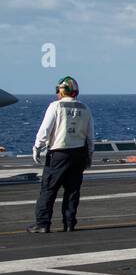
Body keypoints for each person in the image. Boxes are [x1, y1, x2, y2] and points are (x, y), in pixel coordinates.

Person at [29, 76, 94, 234]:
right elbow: (90, 135)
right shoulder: (85, 108)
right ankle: (69, 223)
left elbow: (45, 130)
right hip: (78, 154)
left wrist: (37, 148)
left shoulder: (55, 106)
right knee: (72, 191)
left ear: (61, 90)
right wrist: (89, 156)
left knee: (49, 189)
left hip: (58, 154)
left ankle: (43, 224)